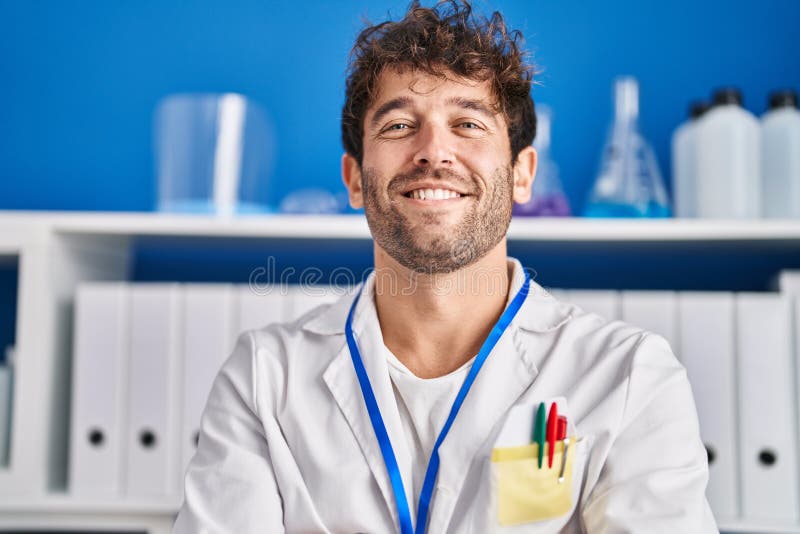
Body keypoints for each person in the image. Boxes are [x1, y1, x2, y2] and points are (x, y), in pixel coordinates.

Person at [173, 1, 718, 532]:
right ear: (355, 179)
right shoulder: (265, 378)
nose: (434, 151)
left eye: (469, 124)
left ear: (522, 174)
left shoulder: (627, 376)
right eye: (398, 126)